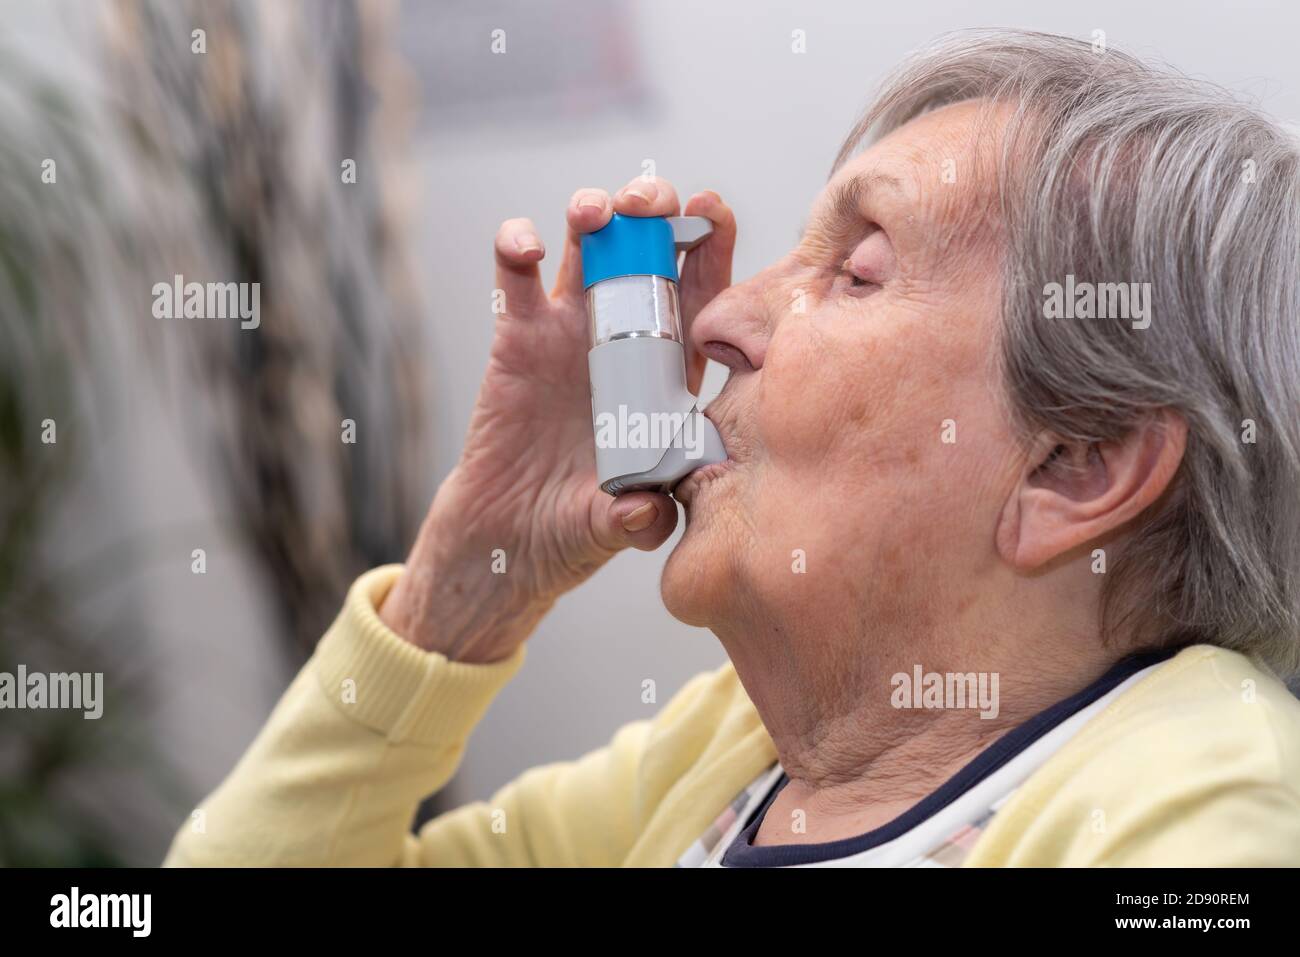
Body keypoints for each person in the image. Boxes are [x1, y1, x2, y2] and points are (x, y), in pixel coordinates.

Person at [165, 29, 1300, 867]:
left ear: (1075, 466)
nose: (713, 322)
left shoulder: (1200, 804)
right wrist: (461, 590)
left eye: (856, 273)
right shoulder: (729, 751)